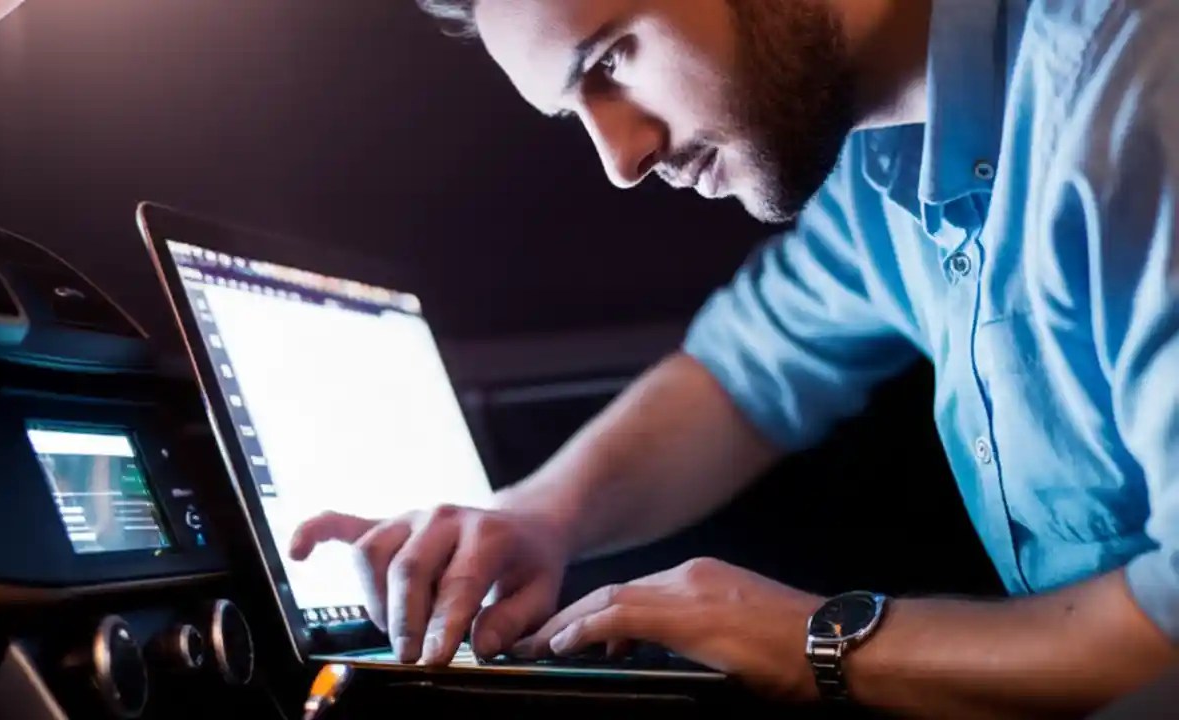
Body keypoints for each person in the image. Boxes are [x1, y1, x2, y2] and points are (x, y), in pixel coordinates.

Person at [289, 0, 1179, 716]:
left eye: (609, 61)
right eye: (577, 111)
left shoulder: (1143, 81)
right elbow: (744, 372)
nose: (621, 160)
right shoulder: (884, 156)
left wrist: (818, 645)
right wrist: (535, 518)